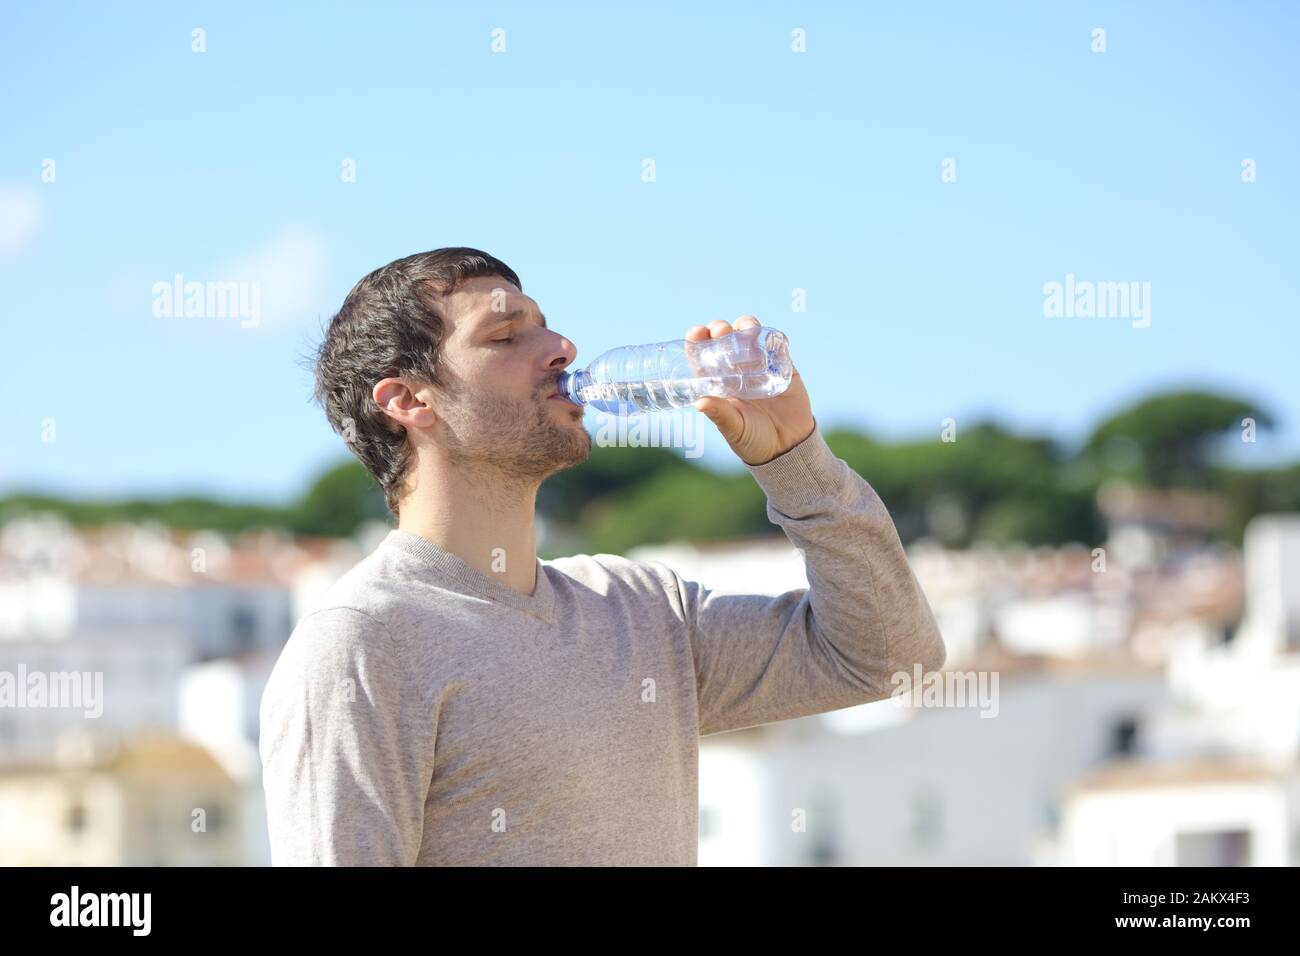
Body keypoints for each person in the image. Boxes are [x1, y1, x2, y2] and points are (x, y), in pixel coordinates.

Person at [259, 246, 947, 865]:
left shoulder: (643, 612)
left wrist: (796, 460)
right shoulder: (362, 642)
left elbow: (889, 657)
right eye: (504, 336)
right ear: (408, 400)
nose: (561, 347)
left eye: (545, 325)